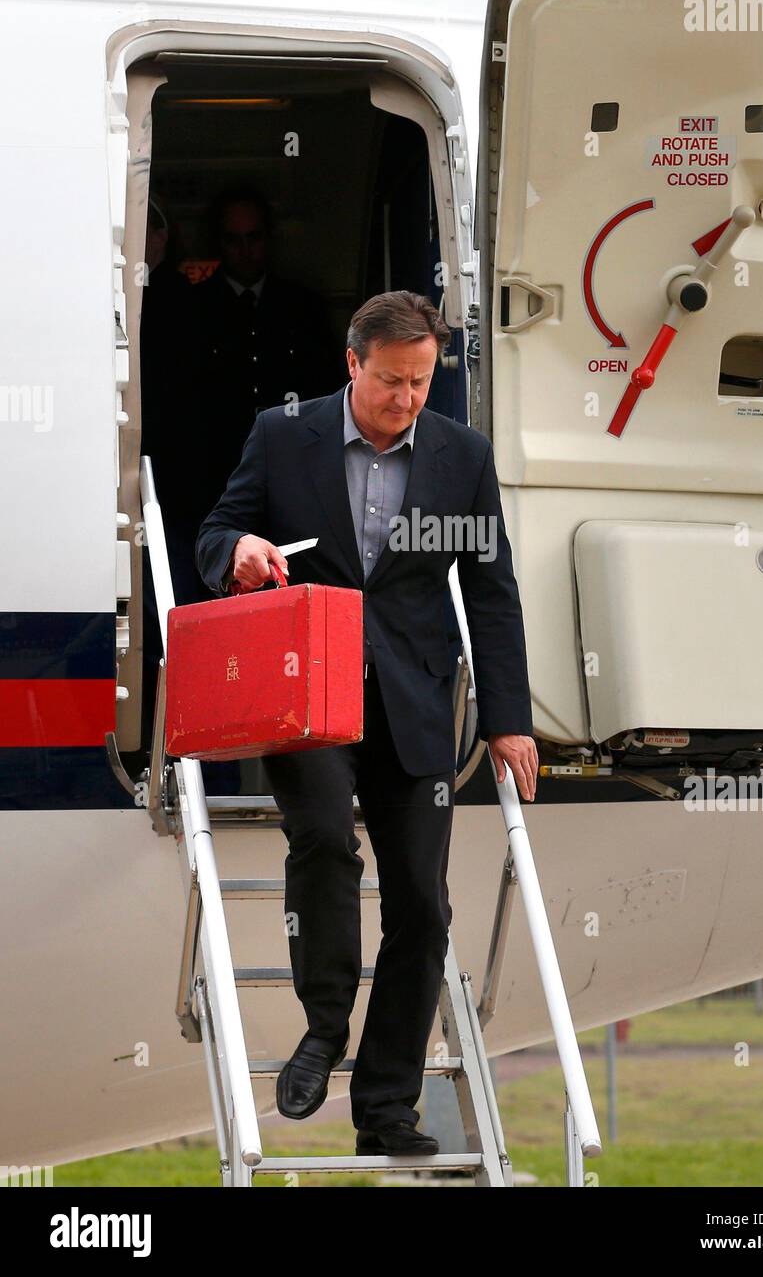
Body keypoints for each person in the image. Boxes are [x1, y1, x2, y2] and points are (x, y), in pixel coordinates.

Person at [195, 290, 538, 1157]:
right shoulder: (286, 436)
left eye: (421, 382)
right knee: (323, 845)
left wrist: (507, 719)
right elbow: (219, 528)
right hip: (310, 697)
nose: (406, 399)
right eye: (390, 380)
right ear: (353, 364)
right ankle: (322, 1029)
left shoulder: (461, 457)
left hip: (416, 704)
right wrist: (233, 552)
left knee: (422, 905)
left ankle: (387, 1109)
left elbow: (491, 597)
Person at [192, 185, 343, 500]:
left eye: (254, 237)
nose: (245, 250)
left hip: (295, 462)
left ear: (269, 238)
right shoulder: (194, 309)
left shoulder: (302, 305)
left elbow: (328, 387)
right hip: (213, 470)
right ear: (218, 242)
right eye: (233, 239)